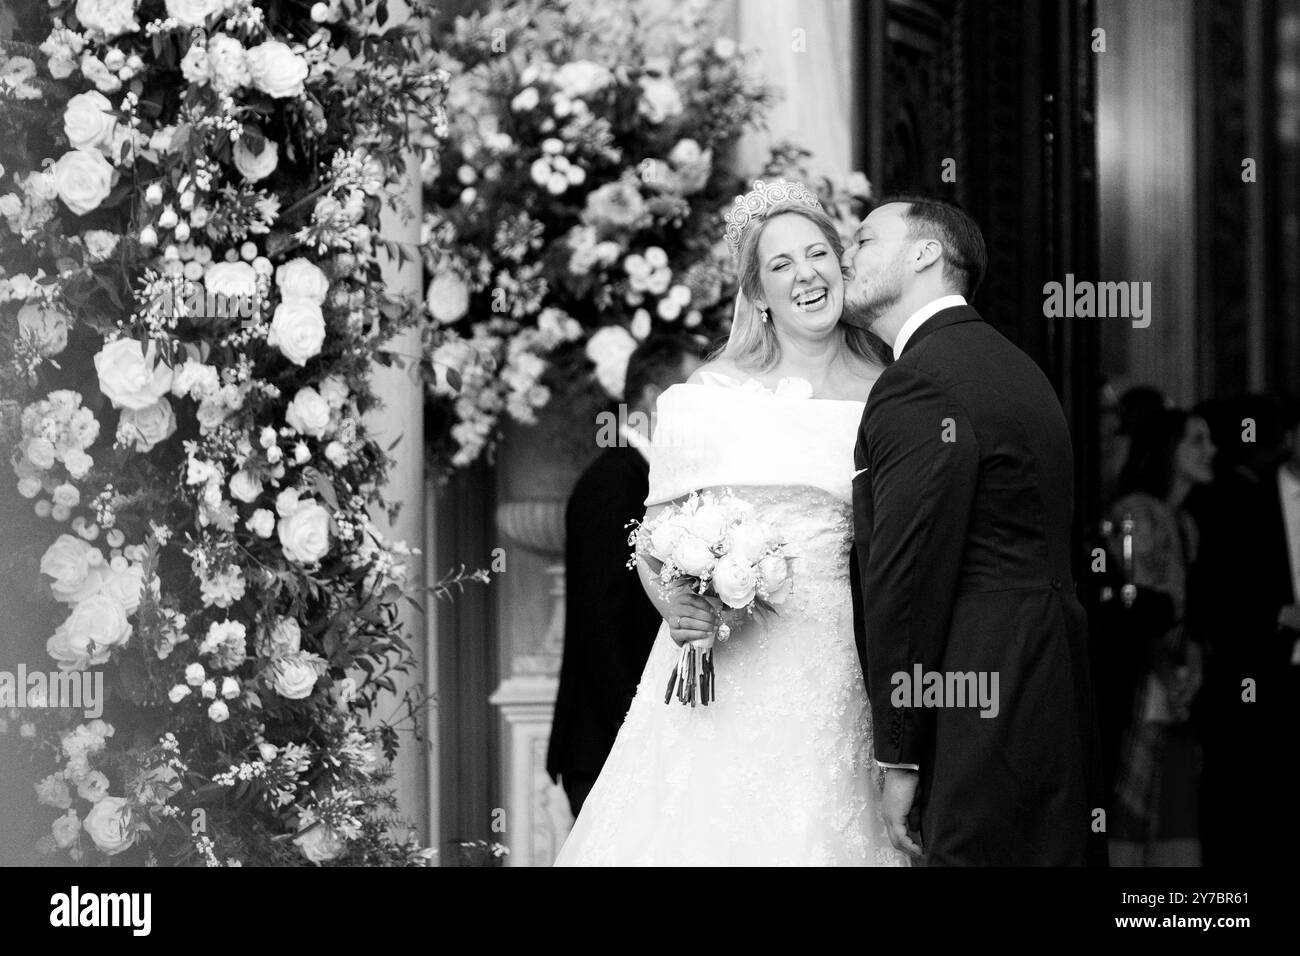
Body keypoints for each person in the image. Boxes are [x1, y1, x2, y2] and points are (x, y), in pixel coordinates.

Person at [554, 180, 904, 865]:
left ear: (841, 262)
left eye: (818, 254)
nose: (806, 274)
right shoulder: (707, 397)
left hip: (841, 676)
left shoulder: (891, 388)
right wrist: (678, 605)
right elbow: (654, 542)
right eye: (781, 265)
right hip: (723, 680)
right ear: (757, 294)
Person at [841, 195, 1106, 866]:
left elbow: (904, 576)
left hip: (975, 698)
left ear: (926, 253)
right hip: (1051, 681)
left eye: (866, 240)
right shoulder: (1016, 367)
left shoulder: (918, 382)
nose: (847, 255)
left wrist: (897, 753)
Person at [546, 333, 702, 818]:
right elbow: (603, 627)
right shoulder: (614, 483)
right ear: (657, 398)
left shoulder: (656, 481)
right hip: (608, 742)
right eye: (694, 394)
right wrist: (639, 738)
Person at [1102, 408, 1214, 866]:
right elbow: (1135, 610)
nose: (1211, 450)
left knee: (1172, 805)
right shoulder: (1136, 513)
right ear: (1168, 450)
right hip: (1140, 684)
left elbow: (1185, 615)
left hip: (1173, 682)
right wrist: (1170, 676)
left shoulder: (1183, 521)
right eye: (1197, 440)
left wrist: (1192, 663)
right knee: (1133, 808)